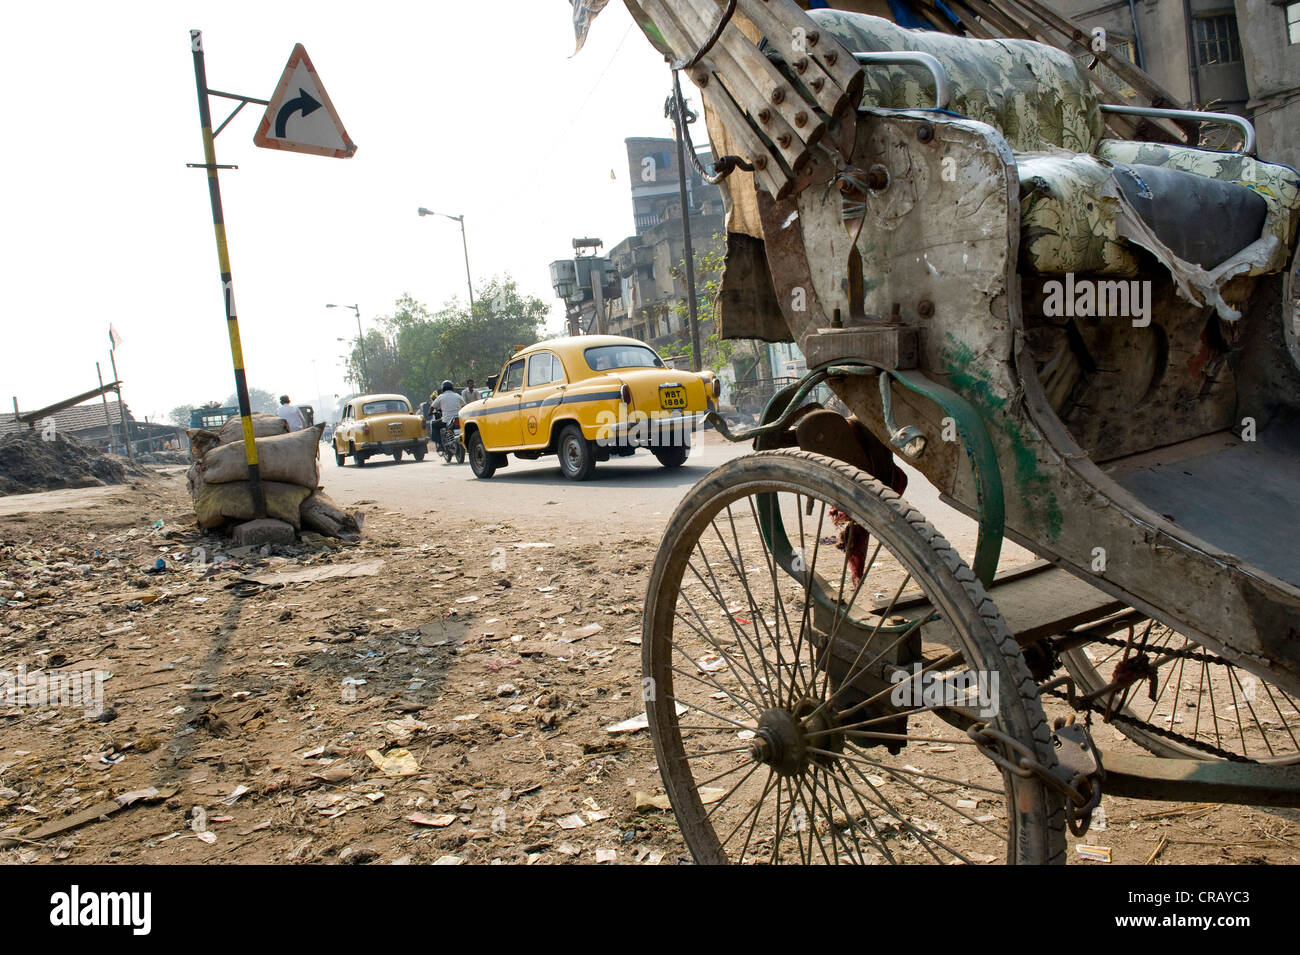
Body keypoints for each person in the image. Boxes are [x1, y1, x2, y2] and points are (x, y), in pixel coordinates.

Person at [429, 380, 465, 450]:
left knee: (433, 424)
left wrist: (430, 413)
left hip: (446, 420)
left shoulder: (441, 397)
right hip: (458, 418)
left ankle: (440, 445)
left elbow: (432, 407)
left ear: (443, 388)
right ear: (452, 388)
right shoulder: (457, 395)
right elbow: (464, 405)